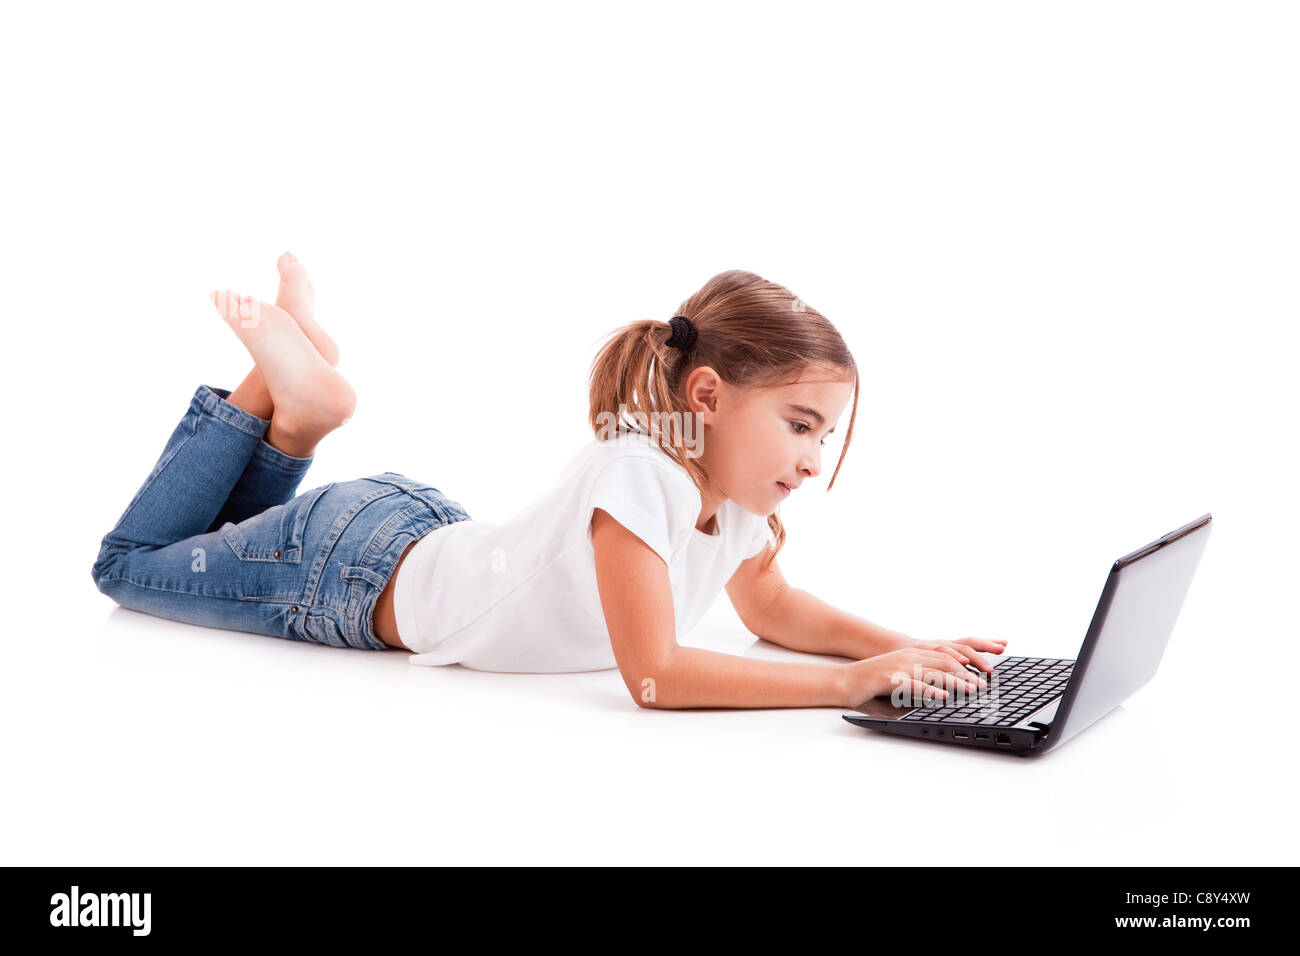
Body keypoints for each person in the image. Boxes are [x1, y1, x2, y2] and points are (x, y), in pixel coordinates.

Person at [91, 255, 1007, 709]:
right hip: (348, 571)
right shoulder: (642, 479)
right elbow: (654, 676)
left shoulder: (725, 501)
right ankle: (277, 394)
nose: (813, 458)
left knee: (200, 555)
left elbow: (773, 610)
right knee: (131, 566)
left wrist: (906, 649)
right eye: (800, 426)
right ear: (708, 396)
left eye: (826, 435)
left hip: (395, 538)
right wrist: (849, 688)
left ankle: (294, 405)